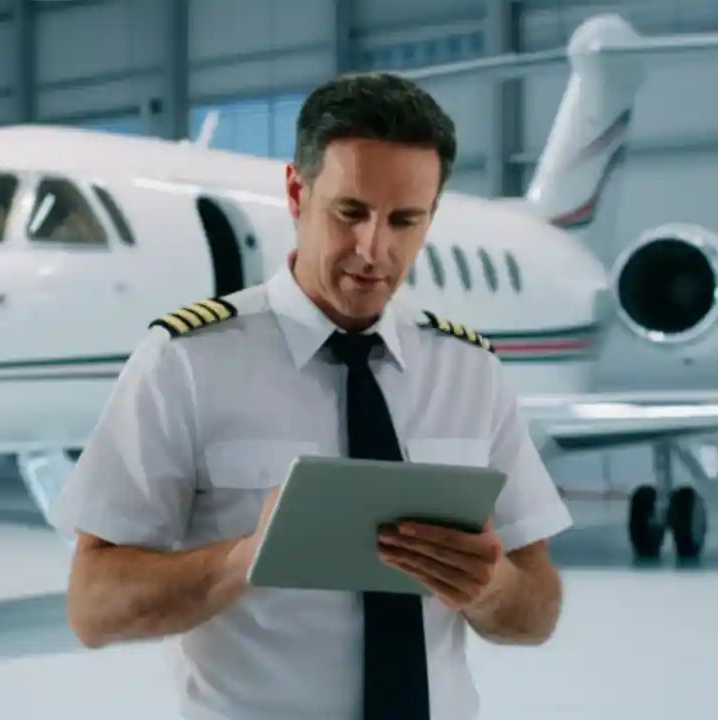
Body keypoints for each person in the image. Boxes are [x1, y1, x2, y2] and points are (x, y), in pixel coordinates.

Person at [49, 72, 572, 720]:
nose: (373, 249)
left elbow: (539, 609)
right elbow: (92, 608)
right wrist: (243, 559)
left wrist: (488, 588)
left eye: (405, 221)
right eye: (349, 212)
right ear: (297, 192)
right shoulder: (186, 363)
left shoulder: (469, 371)